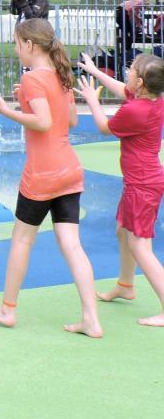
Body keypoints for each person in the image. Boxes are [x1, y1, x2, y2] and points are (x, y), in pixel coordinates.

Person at [0, 17, 101, 337]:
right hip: (69, 170)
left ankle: (7, 310)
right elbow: (71, 120)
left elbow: (44, 122)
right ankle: (91, 318)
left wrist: (6, 110)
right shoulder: (60, 77)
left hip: (43, 173)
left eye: (17, 43)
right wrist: (27, 96)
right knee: (72, 246)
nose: (15, 48)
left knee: (21, 239)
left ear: (30, 45)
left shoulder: (35, 79)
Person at [77, 53, 164, 325]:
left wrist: (92, 99)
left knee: (140, 246)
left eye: (131, 70)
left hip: (142, 184)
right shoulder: (152, 99)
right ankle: (126, 286)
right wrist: (95, 71)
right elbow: (121, 89)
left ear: (139, 82)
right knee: (122, 231)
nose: (126, 71)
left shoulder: (135, 111)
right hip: (140, 181)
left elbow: (104, 127)